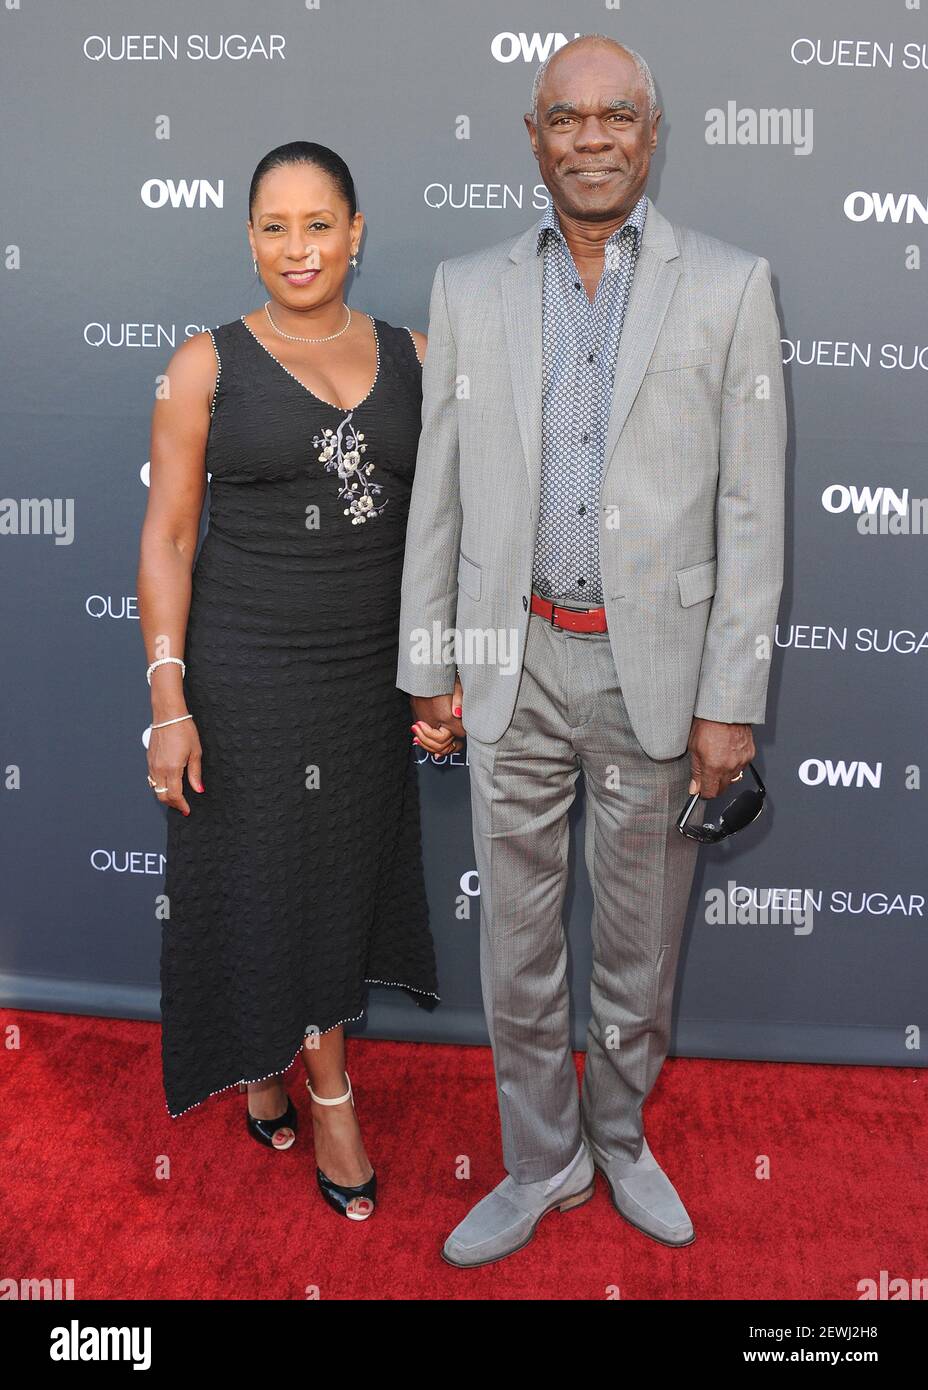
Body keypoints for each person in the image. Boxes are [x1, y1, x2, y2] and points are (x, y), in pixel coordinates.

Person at [397, 35, 786, 1265]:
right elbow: (442, 500)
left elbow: (750, 511)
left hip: (650, 681)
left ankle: (619, 1141)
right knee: (514, 955)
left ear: (649, 132)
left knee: (635, 949)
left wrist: (731, 697)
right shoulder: (468, 289)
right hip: (513, 668)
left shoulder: (727, 284)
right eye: (566, 119)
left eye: (615, 115)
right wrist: (432, 667)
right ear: (533, 138)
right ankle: (537, 1161)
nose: (592, 138)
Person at [137, 141, 444, 1222]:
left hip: (365, 676)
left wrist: (434, 676)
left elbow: (445, 534)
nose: (298, 247)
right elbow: (170, 538)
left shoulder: (416, 353)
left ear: (356, 233)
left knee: (337, 881)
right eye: (275, 226)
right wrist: (169, 699)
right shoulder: (205, 364)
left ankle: (268, 1062)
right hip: (247, 670)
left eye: (320, 224)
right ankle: (332, 1097)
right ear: (250, 240)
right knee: (272, 878)